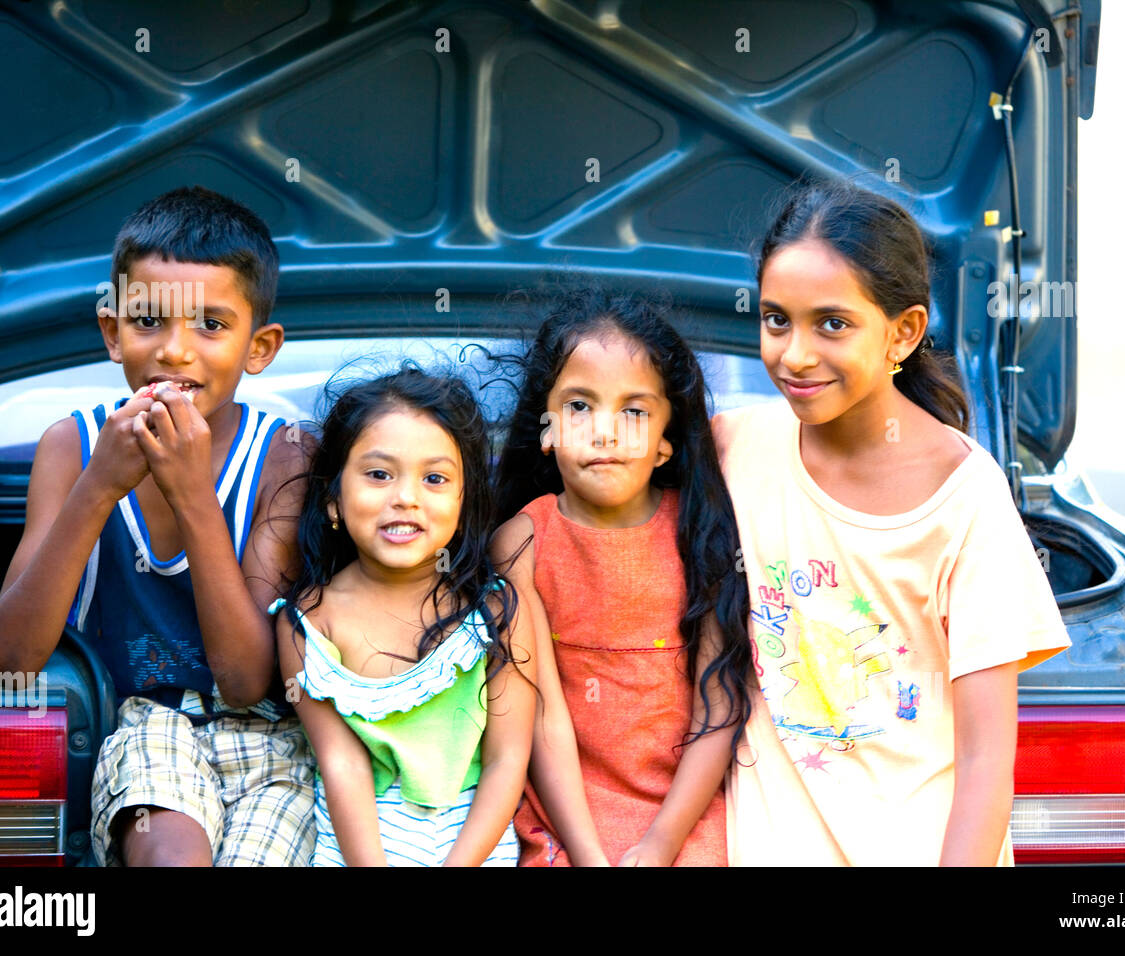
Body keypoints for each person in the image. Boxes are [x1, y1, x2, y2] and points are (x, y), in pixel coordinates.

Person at [711, 180, 1071, 866]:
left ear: (903, 332)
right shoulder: (734, 448)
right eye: (776, 319)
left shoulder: (965, 499)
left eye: (833, 324)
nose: (794, 354)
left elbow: (987, 762)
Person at [0, 185, 316, 866]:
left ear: (260, 347)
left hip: (269, 746)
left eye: (210, 325)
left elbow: (247, 680)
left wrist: (195, 497)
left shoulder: (284, 455)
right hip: (148, 725)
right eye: (147, 322)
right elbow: (12, 662)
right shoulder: (72, 448)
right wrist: (100, 486)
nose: (174, 351)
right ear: (112, 333)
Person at [492, 289, 753, 867]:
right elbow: (541, 719)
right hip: (566, 817)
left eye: (633, 411)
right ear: (546, 428)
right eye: (579, 406)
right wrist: (587, 855)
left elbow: (719, 705)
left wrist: (660, 845)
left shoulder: (701, 532)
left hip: (687, 814)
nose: (604, 432)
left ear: (666, 440)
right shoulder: (521, 544)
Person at [274, 367, 535, 866]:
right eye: (378, 474)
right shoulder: (306, 622)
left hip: (476, 849)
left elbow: (507, 760)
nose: (406, 497)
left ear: (464, 500)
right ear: (333, 500)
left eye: (434, 478)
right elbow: (342, 762)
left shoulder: (495, 611)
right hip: (355, 851)